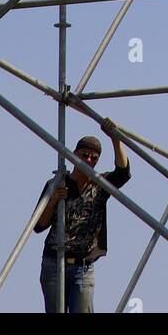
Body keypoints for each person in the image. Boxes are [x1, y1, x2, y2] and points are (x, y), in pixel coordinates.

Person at [34, 121, 130, 314]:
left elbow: (123, 173)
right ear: (74, 155)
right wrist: (53, 201)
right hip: (54, 263)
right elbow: (38, 225)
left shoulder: (100, 184)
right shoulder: (57, 183)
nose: (88, 160)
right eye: (84, 155)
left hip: (83, 268)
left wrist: (115, 139)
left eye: (93, 158)